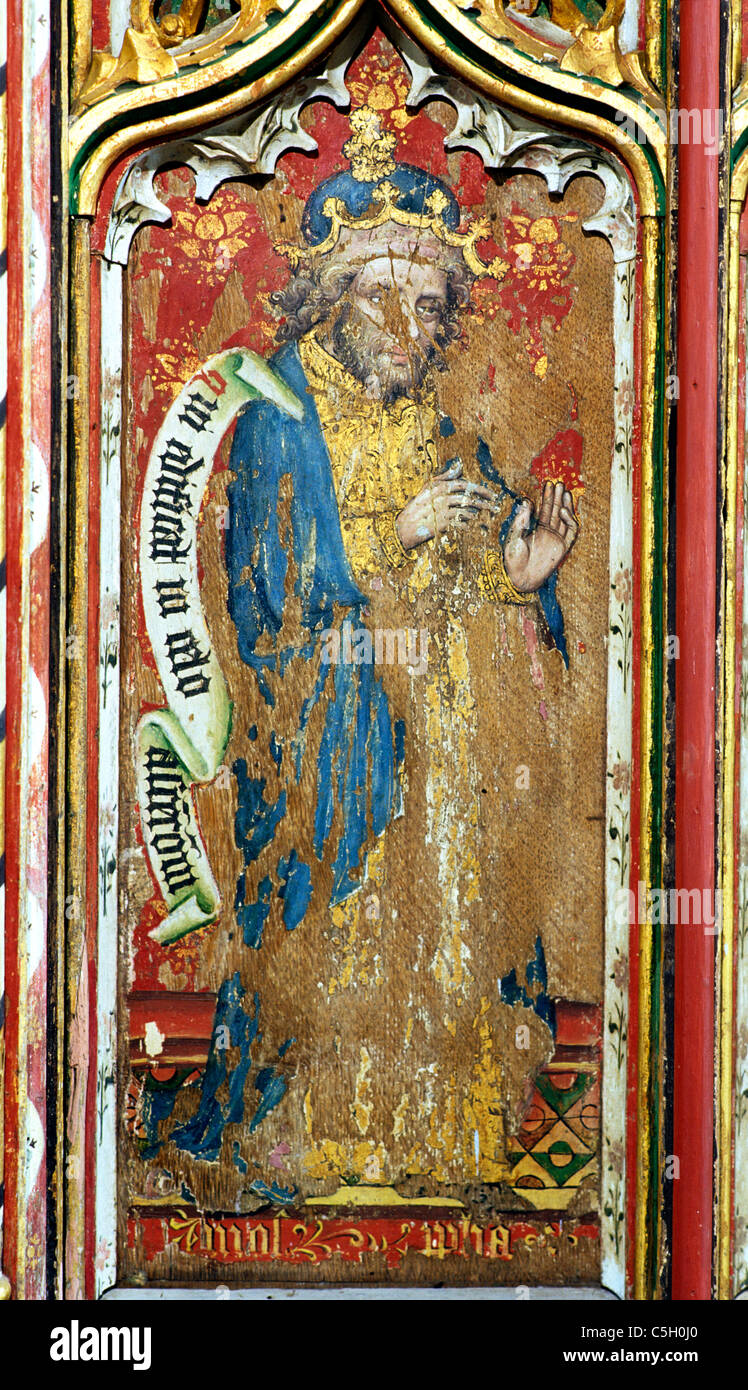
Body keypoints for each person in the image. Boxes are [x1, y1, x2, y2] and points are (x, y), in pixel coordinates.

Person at [222, 107, 579, 1195]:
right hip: (332, 752)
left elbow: (477, 602)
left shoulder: (447, 435)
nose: (405, 324)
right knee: (350, 927)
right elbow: (267, 601)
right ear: (332, 300)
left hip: (445, 760)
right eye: (382, 296)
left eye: (428, 305)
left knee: (445, 934)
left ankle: (434, 1145)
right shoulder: (282, 418)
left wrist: (522, 580)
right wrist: (394, 534)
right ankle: (317, 1138)